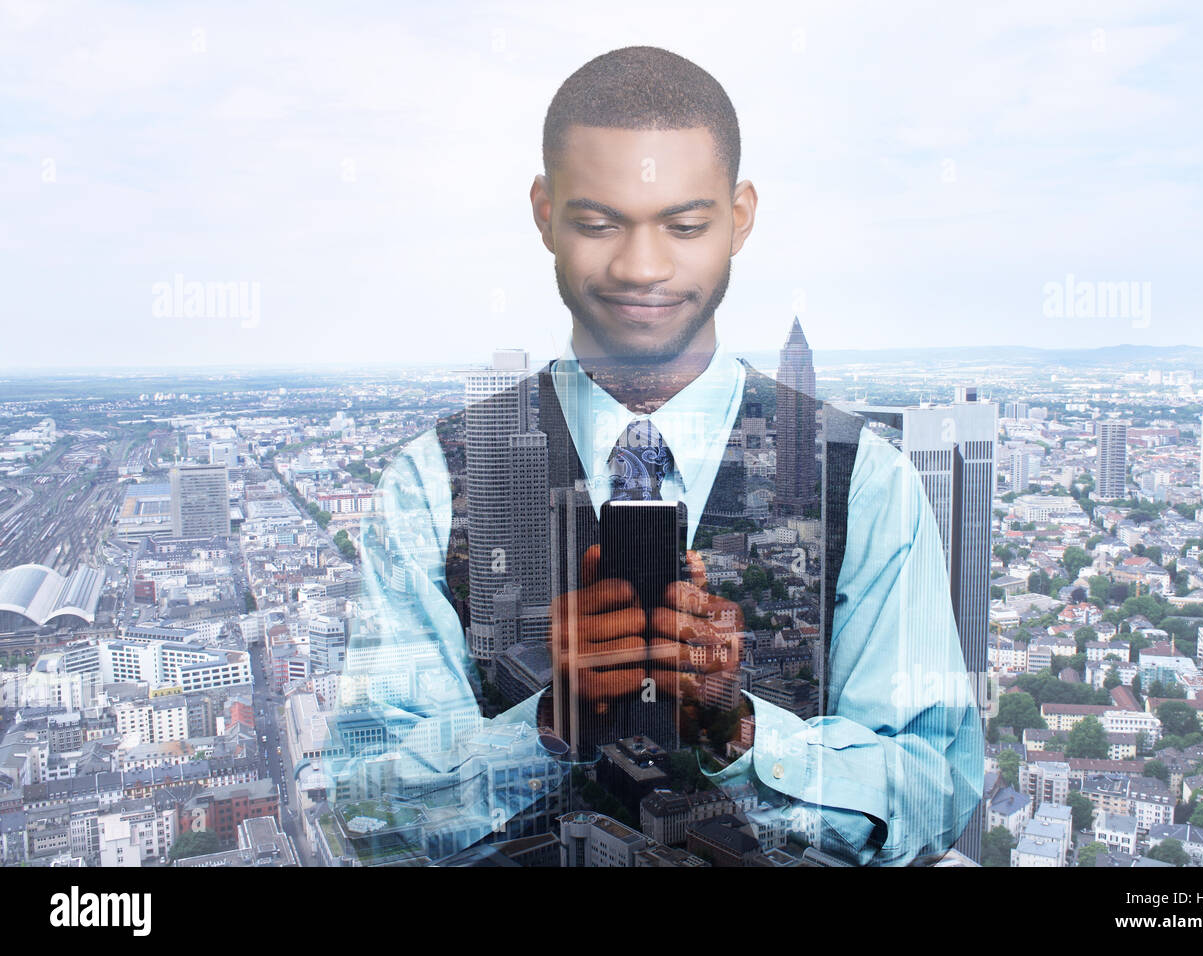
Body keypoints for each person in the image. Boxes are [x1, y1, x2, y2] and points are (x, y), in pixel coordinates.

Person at [327, 46, 981, 867]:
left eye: (684, 224)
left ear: (741, 215)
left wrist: (741, 732)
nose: (642, 267)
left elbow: (938, 787)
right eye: (600, 223)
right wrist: (543, 727)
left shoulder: (865, 479)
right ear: (544, 212)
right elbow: (365, 809)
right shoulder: (430, 483)